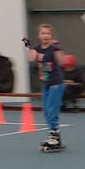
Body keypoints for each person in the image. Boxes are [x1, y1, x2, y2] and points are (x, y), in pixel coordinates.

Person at [25, 23, 66, 151]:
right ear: (39, 35)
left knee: (52, 110)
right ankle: (53, 135)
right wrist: (28, 47)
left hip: (56, 83)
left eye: (48, 34)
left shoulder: (53, 49)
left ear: (51, 36)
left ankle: (55, 135)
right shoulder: (38, 48)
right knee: (46, 111)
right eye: (43, 33)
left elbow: (62, 61)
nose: (45, 36)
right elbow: (31, 58)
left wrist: (58, 49)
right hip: (46, 83)